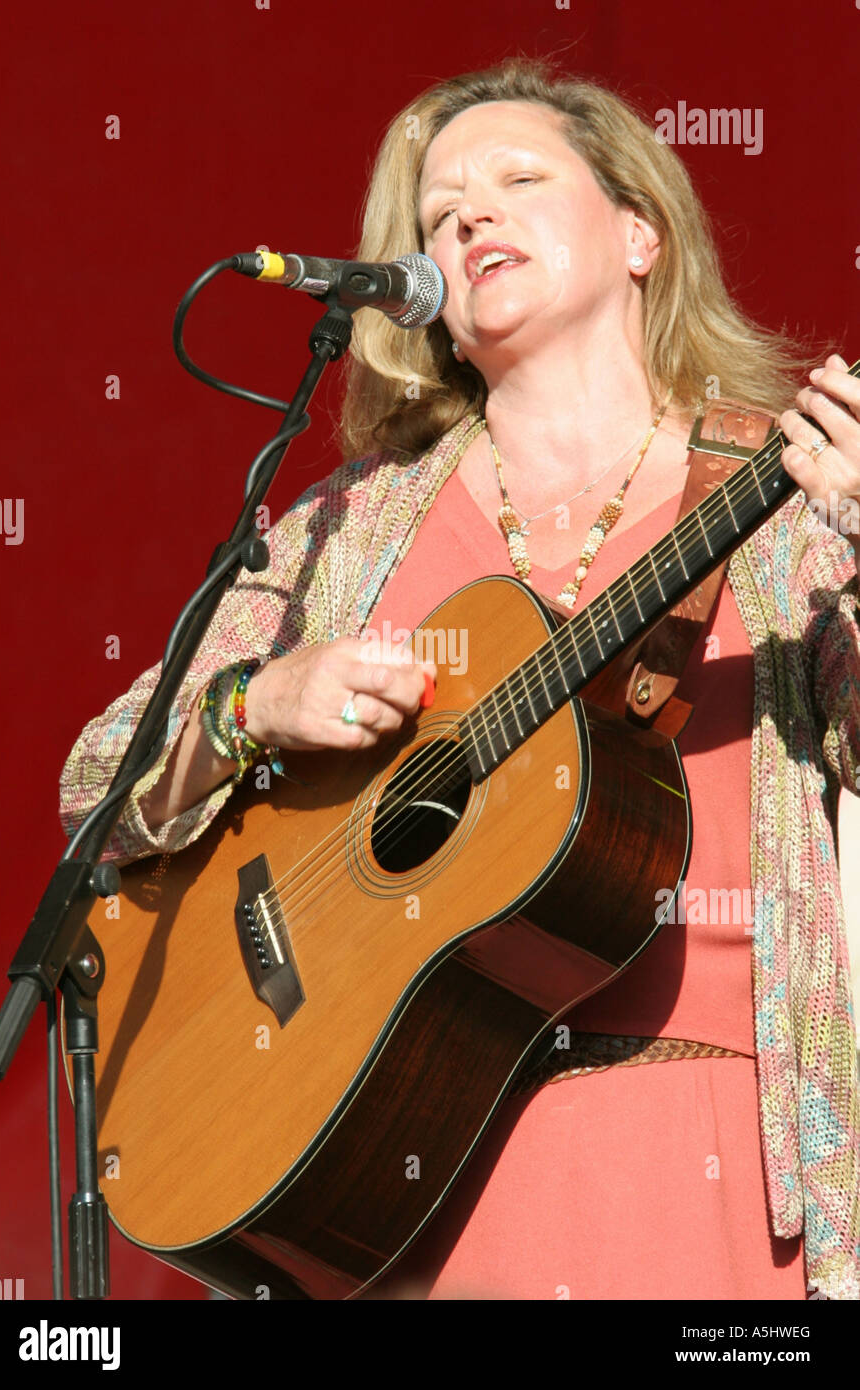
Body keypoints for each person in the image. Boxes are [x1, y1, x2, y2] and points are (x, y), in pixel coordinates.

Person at [59, 57, 860, 1301]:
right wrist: (256, 706)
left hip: (702, 1160)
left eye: (518, 180)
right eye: (439, 214)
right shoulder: (348, 530)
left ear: (640, 230)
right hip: (412, 1177)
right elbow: (98, 780)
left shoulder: (791, 491)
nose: (470, 216)